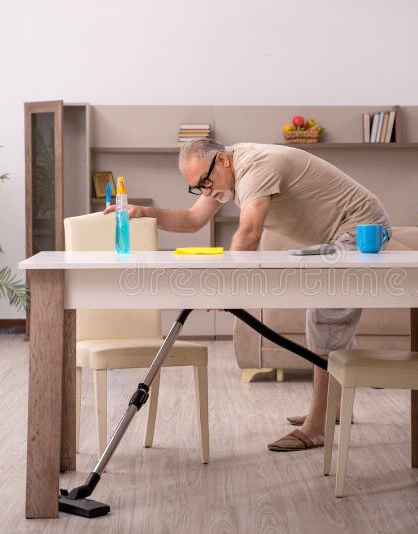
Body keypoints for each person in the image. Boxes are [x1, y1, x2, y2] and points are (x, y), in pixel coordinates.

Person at [104, 138, 390, 451]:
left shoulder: (257, 166)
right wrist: (144, 211)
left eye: (205, 181)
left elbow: (250, 231)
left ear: (224, 160)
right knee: (328, 315)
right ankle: (332, 409)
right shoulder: (223, 176)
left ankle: (318, 427)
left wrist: (226, 287)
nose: (205, 191)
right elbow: (192, 220)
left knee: (327, 314)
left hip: (360, 228)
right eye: (197, 186)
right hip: (333, 236)